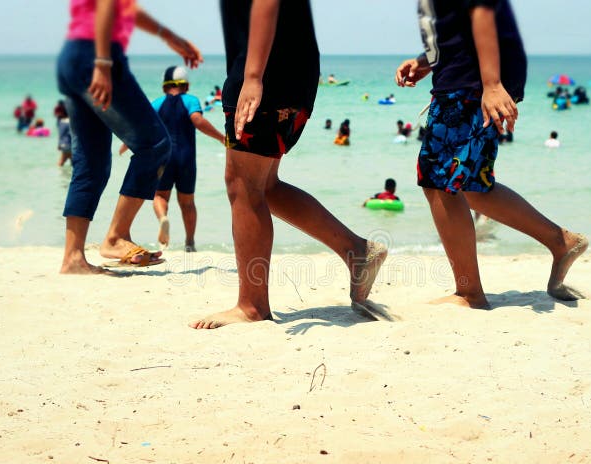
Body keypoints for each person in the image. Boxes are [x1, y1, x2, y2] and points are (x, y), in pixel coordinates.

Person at [190, 0, 387, 329]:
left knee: (243, 184)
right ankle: (357, 252)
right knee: (265, 186)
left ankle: (252, 306)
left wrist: (253, 76)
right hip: (288, 67)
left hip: (269, 69)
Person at [395, 0, 587, 308]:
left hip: (470, 81)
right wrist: (427, 60)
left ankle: (468, 292)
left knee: (437, 180)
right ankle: (560, 242)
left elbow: (481, 7)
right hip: (467, 75)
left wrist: (492, 84)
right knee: (471, 183)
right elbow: (456, 21)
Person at [56, 0, 202, 274]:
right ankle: (116, 237)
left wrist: (169, 36)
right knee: (155, 144)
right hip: (95, 55)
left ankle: (73, 258)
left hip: (74, 57)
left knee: (91, 163)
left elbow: (125, 8)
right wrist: (102, 62)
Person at [126, 65, 224, 251]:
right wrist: (221, 137)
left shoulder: (157, 103)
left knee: (160, 196)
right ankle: (190, 243)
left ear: (164, 87)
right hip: (186, 158)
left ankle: (163, 217)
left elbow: (143, 126)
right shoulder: (191, 100)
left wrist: (128, 144)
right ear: (186, 86)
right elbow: (197, 120)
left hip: (163, 158)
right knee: (187, 202)